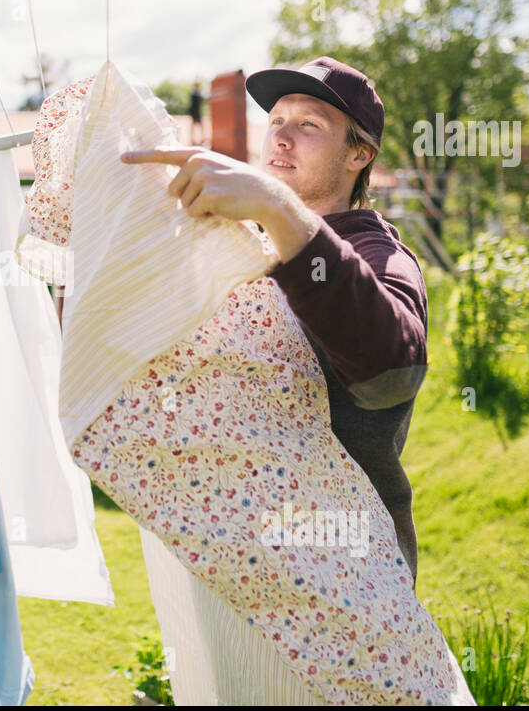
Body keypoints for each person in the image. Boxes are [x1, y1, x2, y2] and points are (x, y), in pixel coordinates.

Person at [122, 56, 425, 586]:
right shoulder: (244, 243)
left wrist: (277, 208)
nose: (282, 138)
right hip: (234, 561)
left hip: (345, 576)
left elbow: (391, 371)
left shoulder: (378, 253)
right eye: (277, 121)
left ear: (360, 153)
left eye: (309, 125)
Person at [188, 80, 205, 145]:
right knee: (194, 126)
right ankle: (193, 139)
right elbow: (199, 99)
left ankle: (202, 139)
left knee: (200, 126)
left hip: (197, 111)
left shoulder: (198, 92)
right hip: (195, 112)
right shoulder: (194, 92)